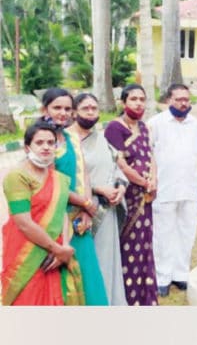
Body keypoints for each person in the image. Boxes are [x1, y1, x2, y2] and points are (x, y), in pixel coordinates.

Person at [1, 123, 84, 305]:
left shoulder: (58, 178)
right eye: (39, 142)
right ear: (27, 147)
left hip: (56, 255)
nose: (46, 147)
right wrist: (57, 249)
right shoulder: (17, 177)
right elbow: (23, 222)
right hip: (26, 253)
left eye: (50, 142)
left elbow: (61, 212)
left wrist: (64, 247)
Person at [42, 88, 108, 305]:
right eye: (57, 108)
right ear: (45, 109)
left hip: (79, 217)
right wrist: (87, 204)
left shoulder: (71, 136)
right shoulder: (43, 140)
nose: (63, 113)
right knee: (64, 280)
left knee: (88, 274)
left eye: (67, 109)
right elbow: (52, 184)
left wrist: (87, 210)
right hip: (56, 218)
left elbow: (84, 173)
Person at [105, 84, 159, 306]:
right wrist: (143, 182)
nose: (138, 103)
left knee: (145, 243)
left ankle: (144, 296)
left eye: (142, 99)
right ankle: (126, 297)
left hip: (146, 196)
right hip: (127, 195)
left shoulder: (145, 127)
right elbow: (119, 163)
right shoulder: (114, 128)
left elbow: (151, 155)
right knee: (127, 245)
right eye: (133, 99)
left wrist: (154, 180)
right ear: (123, 102)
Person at [72, 93, 128, 305]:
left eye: (94, 108)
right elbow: (64, 180)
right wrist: (98, 190)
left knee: (107, 262)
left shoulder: (102, 139)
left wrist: (120, 188)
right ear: (75, 111)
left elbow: (117, 169)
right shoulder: (68, 142)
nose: (90, 112)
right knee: (86, 265)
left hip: (107, 212)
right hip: (81, 212)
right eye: (85, 108)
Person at [148, 84, 197, 296]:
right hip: (165, 188)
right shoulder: (156, 123)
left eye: (186, 99)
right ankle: (162, 277)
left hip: (189, 187)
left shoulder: (195, 124)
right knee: (163, 234)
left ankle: (181, 274)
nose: (183, 103)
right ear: (169, 100)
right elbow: (148, 155)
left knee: (187, 231)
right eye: (179, 99)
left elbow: (195, 151)